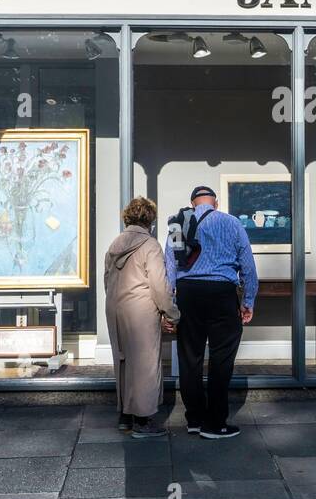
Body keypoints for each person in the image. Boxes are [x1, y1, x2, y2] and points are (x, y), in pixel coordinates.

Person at [166, 185, 257, 439]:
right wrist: (248, 301)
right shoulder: (232, 223)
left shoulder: (177, 225)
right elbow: (247, 266)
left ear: (192, 203)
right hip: (221, 293)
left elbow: (170, 267)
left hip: (188, 294)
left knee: (189, 357)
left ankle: (194, 419)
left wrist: (170, 307)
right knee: (221, 358)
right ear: (215, 203)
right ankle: (216, 423)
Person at [103, 197, 179, 439]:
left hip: (115, 307)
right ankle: (143, 421)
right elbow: (159, 285)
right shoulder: (150, 245)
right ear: (150, 220)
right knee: (145, 365)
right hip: (141, 310)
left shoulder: (115, 244)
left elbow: (107, 279)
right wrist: (172, 312)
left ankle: (125, 416)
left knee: (123, 361)